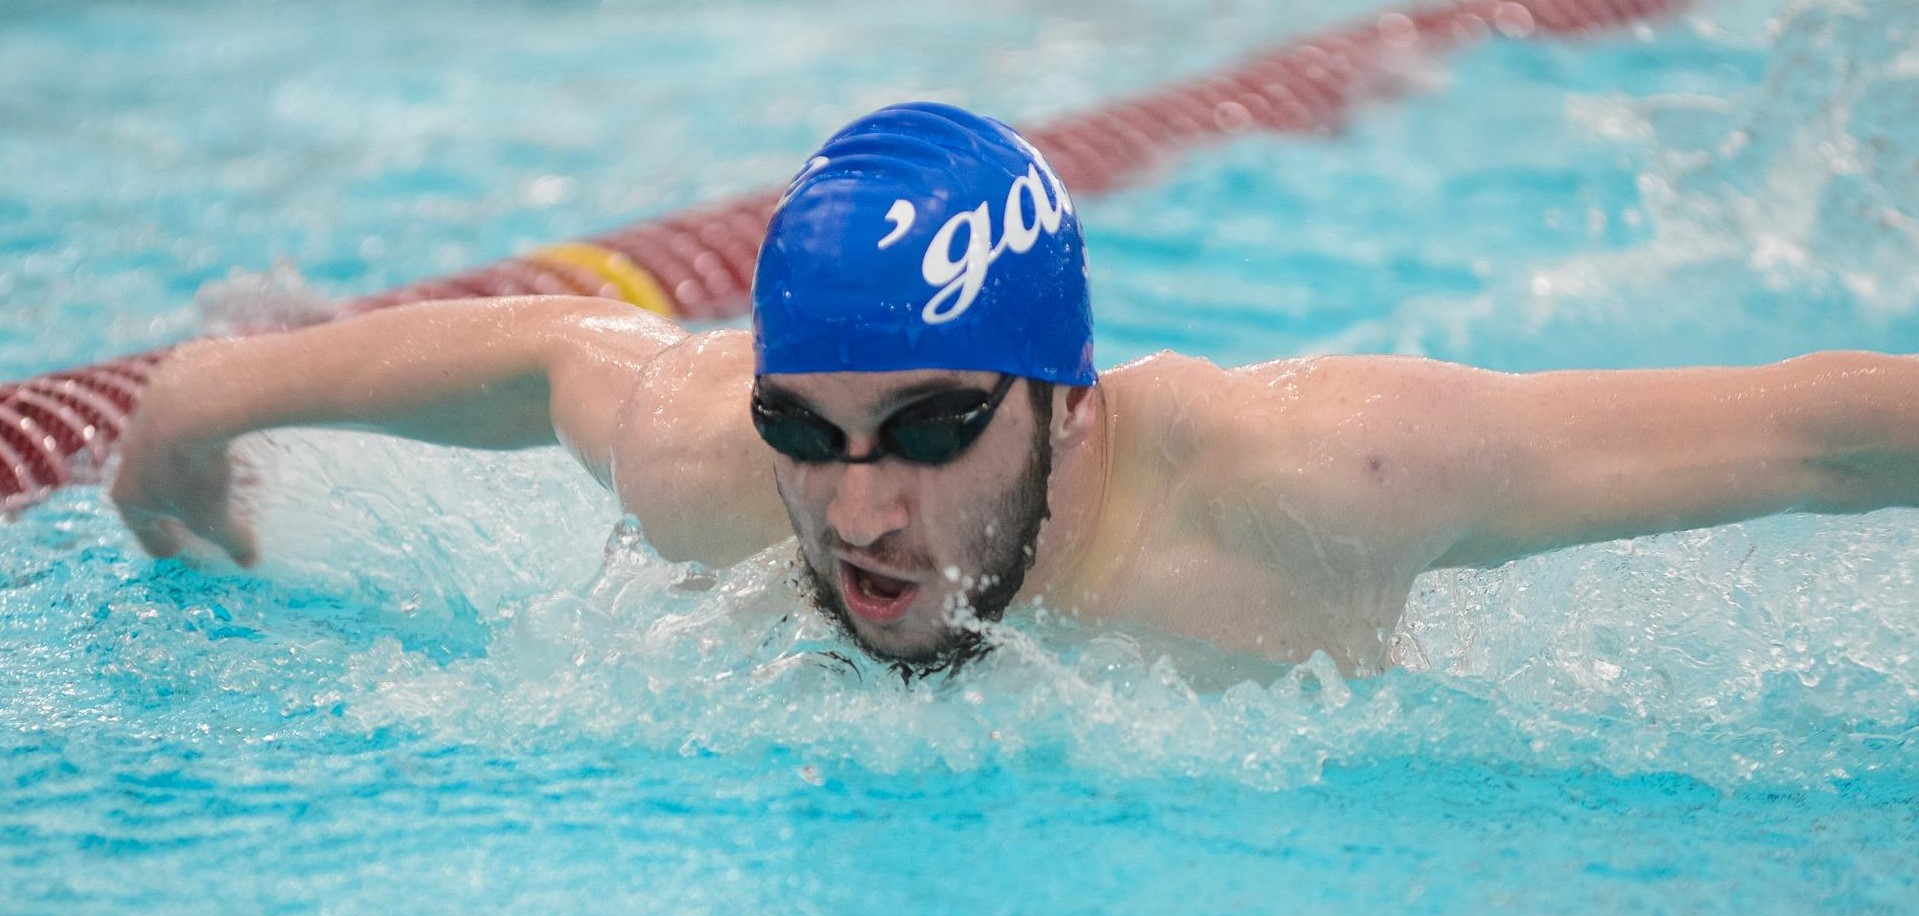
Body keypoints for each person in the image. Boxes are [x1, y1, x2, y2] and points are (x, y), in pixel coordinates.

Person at [110, 103, 1919, 675]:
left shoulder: (1317, 476)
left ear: (1062, 396)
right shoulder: (714, 459)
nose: (860, 511)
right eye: (805, 431)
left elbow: (1813, 433)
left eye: (932, 429)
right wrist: (205, 402)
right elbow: (547, 353)